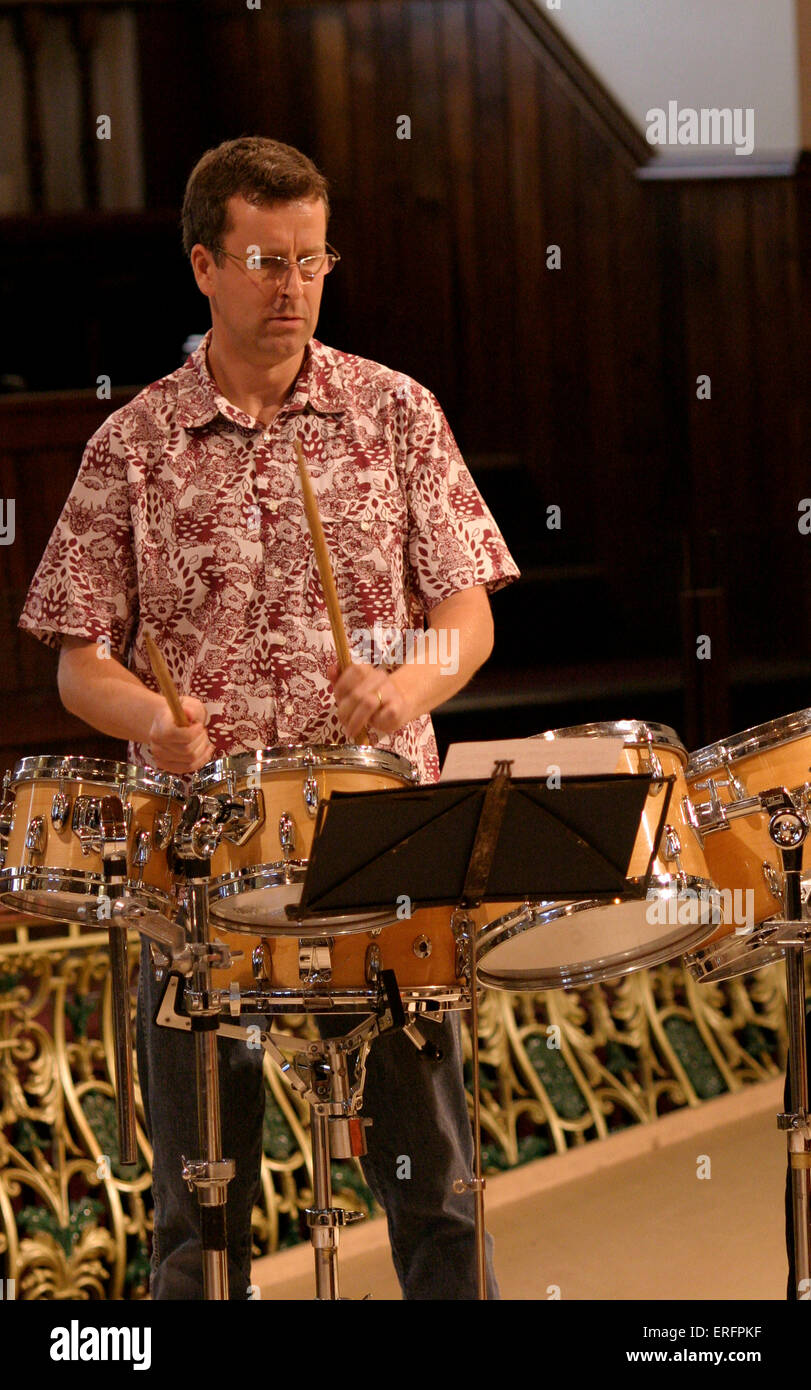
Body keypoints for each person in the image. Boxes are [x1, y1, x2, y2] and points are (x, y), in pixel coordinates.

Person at [19, 136, 520, 1300]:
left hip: (377, 846)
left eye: (311, 260)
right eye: (264, 261)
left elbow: (466, 619)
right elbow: (76, 664)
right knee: (203, 1214)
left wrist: (407, 681)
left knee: (435, 1185)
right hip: (207, 849)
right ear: (203, 265)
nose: (293, 287)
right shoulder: (132, 444)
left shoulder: (395, 412)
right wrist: (148, 716)